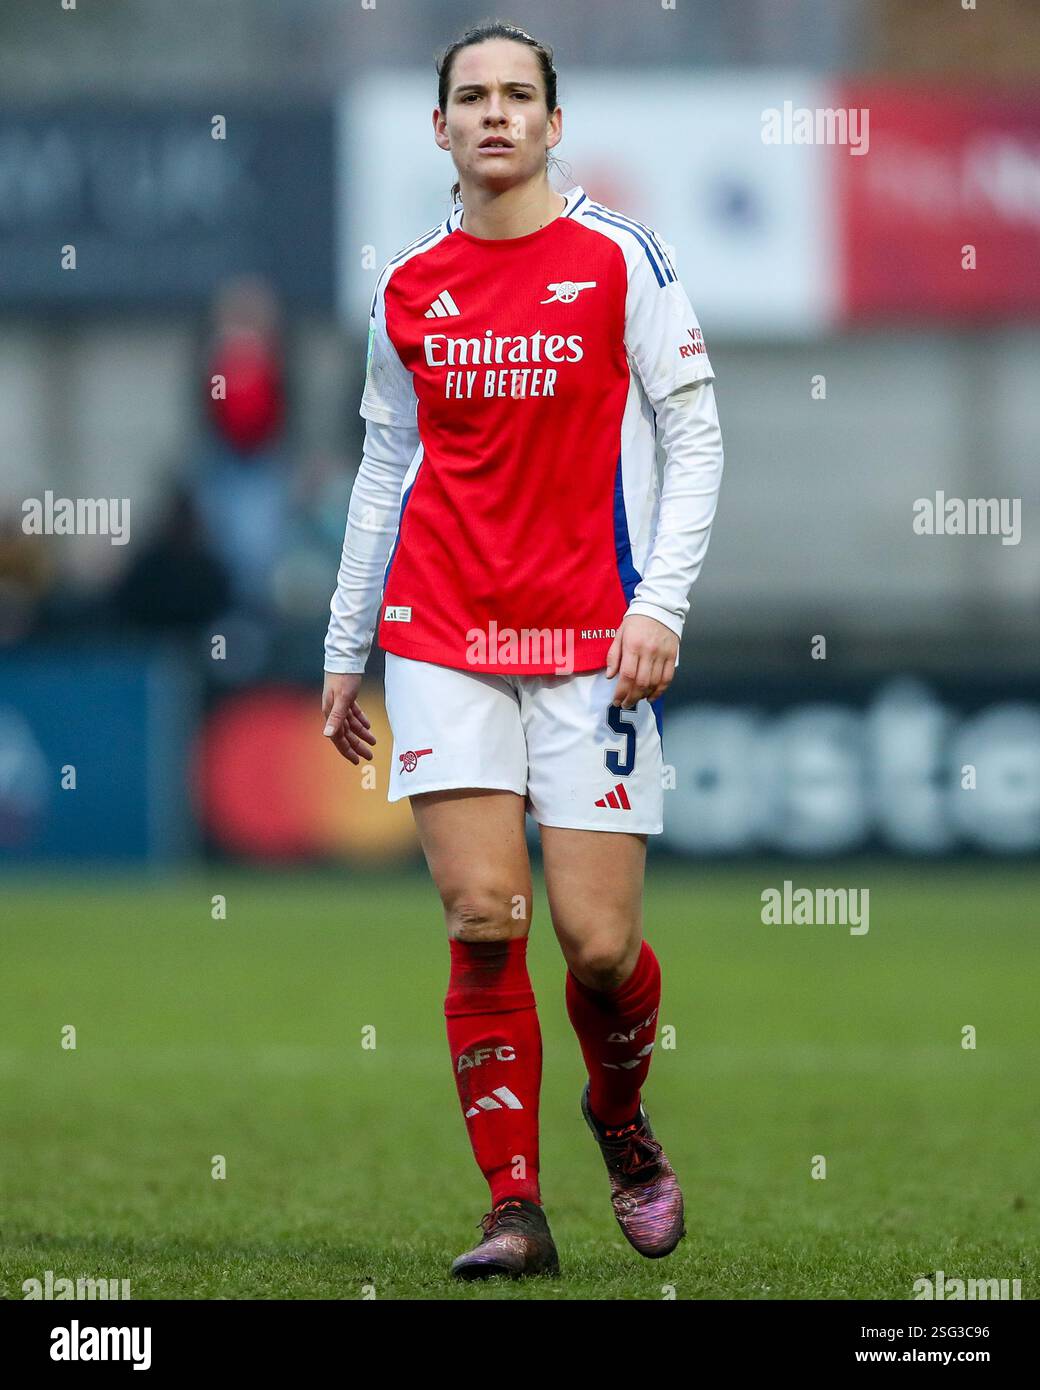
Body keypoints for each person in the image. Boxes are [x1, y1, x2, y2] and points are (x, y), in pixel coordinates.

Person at [322, 20, 724, 1281]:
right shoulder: (407, 288)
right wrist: (344, 645)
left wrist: (659, 604)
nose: (494, 114)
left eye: (518, 96)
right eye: (470, 97)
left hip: (590, 638)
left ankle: (619, 1117)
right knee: (482, 914)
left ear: (555, 124)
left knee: (597, 946)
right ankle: (514, 1208)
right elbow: (386, 469)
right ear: (437, 127)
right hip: (441, 629)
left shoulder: (619, 260)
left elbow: (695, 436)